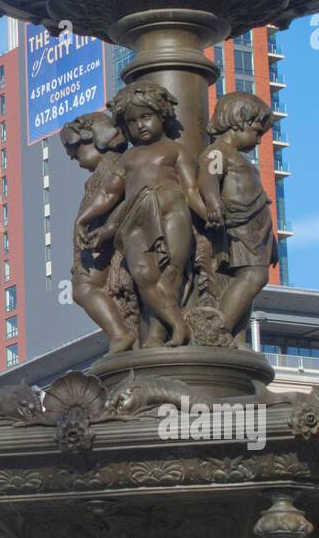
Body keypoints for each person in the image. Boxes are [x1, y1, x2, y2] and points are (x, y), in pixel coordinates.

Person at [89, 82, 208, 348]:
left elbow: (190, 189)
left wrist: (206, 213)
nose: (140, 125)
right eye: (131, 121)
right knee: (142, 273)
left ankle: (157, 334)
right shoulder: (127, 158)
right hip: (135, 219)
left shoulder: (175, 151)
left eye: (145, 117)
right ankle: (178, 323)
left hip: (173, 210)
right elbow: (109, 194)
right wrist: (89, 222)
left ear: (161, 114)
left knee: (172, 270)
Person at [198, 91, 278, 340]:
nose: (259, 140)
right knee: (254, 276)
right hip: (238, 227)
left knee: (249, 280)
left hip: (257, 228)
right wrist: (213, 202)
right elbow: (209, 178)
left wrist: (272, 241)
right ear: (238, 121)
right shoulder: (217, 152)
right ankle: (216, 329)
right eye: (256, 132)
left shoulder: (240, 159)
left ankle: (237, 337)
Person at [60, 110, 137, 353]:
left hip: (107, 241)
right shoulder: (107, 171)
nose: (76, 161)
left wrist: (106, 229)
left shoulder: (113, 168)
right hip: (101, 239)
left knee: (83, 288)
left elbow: (123, 200)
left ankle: (120, 333)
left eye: (76, 153)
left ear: (95, 139)